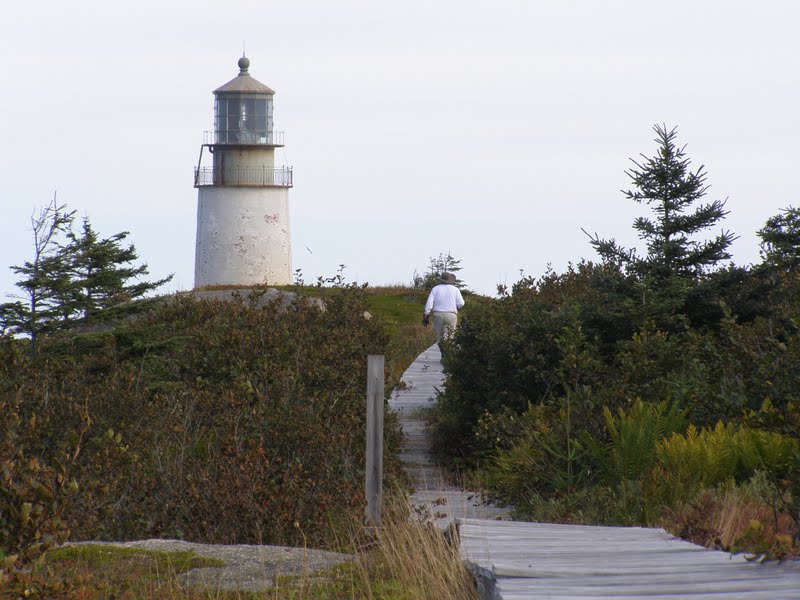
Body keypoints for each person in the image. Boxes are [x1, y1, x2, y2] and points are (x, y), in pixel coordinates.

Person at [422, 272, 465, 342]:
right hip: (451, 315)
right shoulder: (455, 289)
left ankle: (441, 351)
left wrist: (426, 314)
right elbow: (461, 303)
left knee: (439, 338)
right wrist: (457, 307)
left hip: (438, 315)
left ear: (441, 279)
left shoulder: (435, 289)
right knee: (449, 338)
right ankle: (447, 351)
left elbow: (429, 303)